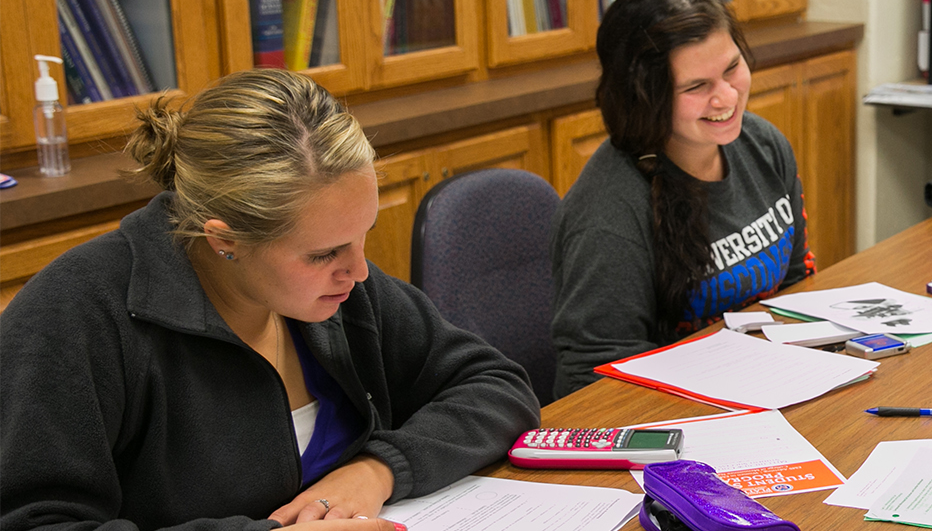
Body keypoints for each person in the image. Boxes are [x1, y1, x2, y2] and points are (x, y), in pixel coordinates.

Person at [0, 69, 542, 531]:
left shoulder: (342, 291)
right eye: (324, 253)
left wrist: (378, 469)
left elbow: (495, 386)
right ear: (224, 240)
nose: (357, 271)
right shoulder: (80, 314)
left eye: (363, 237)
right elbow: (38, 521)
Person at [551, 0, 814, 398]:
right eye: (697, 86)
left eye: (732, 68)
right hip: (659, 422)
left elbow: (797, 287)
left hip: (760, 388)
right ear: (645, 97)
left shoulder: (764, 145)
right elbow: (598, 378)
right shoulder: (607, 216)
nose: (727, 97)